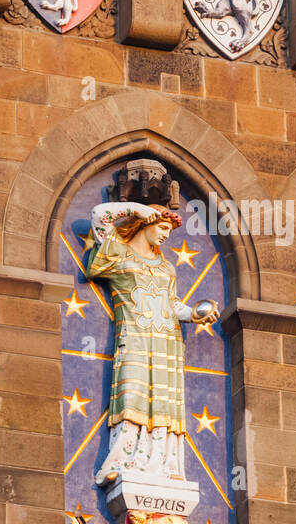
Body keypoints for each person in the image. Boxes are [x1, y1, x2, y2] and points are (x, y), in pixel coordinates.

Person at [87, 201, 218, 486]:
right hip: (134, 337)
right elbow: (99, 216)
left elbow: (171, 304)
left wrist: (193, 314)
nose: (165, 236)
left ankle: (162, 463)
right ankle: (122, 462)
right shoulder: (118, 255)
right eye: (161, 227)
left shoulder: (167, 268)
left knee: (163, 402)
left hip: (166, 341)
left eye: (169, 231)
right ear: (146, 223)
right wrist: (135, 208)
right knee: (132, 394)